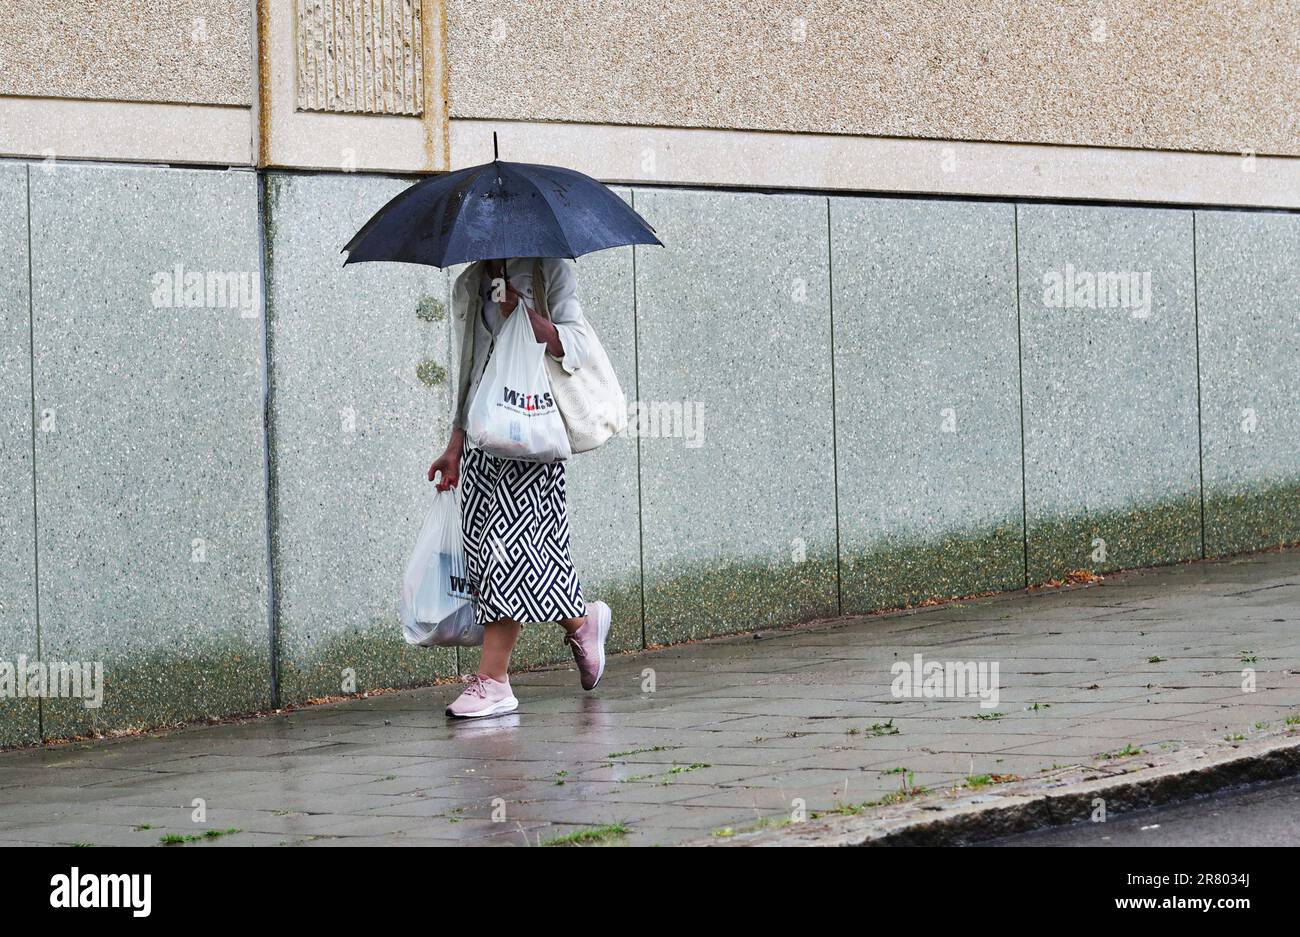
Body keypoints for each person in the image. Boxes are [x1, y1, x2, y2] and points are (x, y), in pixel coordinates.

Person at [428, 257, 612, 718]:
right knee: (519, 549)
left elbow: (577, 344)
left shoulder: (549, 269)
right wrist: (454, 442)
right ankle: (583, 621)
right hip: (483, 439)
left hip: (533, 435)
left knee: (504, 551)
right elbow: (471, 369)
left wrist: (525, 317)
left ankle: (494, 680)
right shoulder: (472, 281)